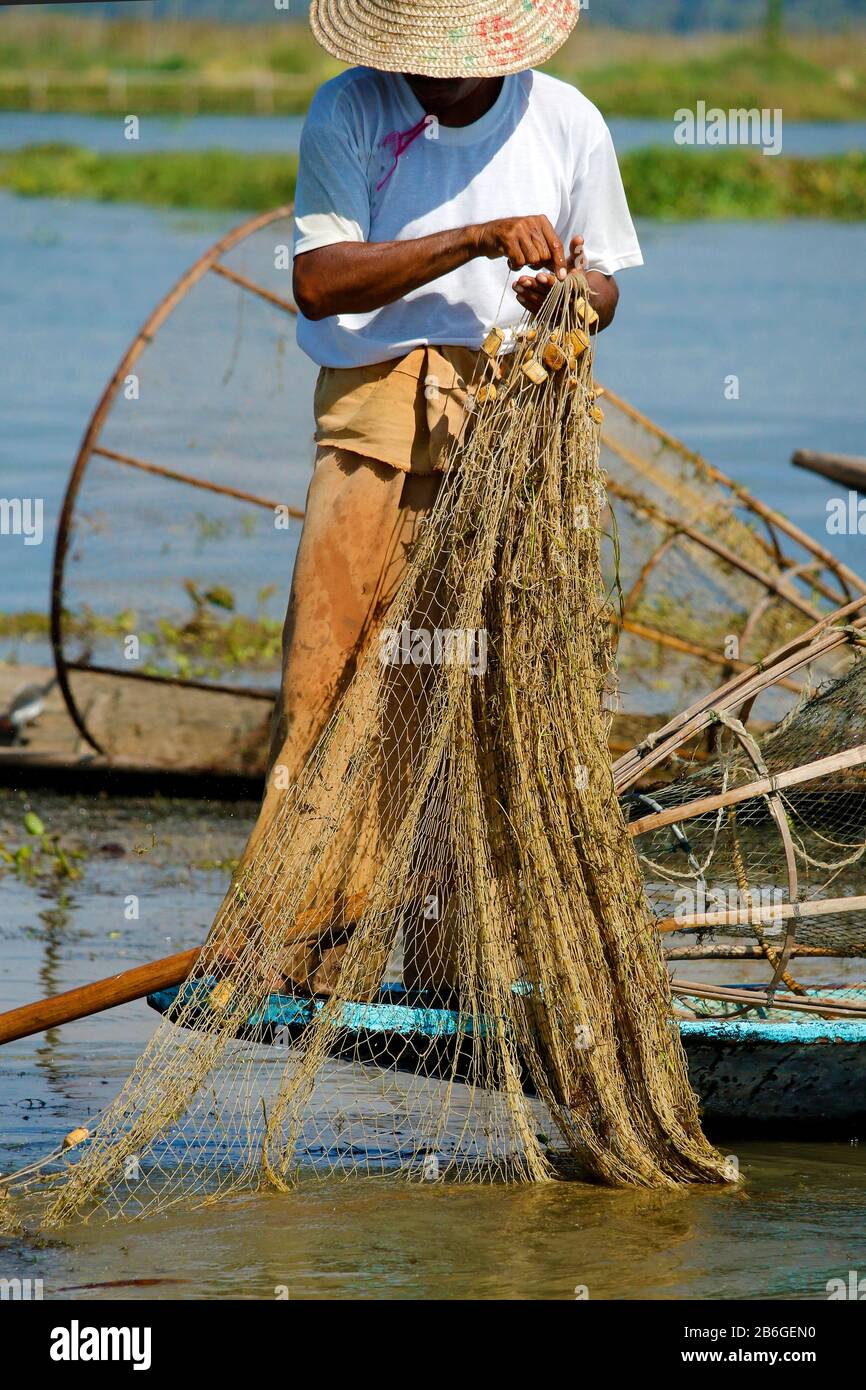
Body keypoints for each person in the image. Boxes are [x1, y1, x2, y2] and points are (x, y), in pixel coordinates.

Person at [220, 0, 643, 997]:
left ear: (502, 47)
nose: (430, 81)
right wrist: (474, 238)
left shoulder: (566, 119)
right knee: (332, 683)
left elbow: (606, 284)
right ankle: (310, 953)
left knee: (487, 699)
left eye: (448, 67)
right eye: (414, 63)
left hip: (512, 420)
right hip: (374, 413)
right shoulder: (350, 110)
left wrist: (568, 298)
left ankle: (461, 966)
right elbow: (320, 283)